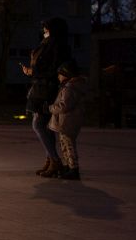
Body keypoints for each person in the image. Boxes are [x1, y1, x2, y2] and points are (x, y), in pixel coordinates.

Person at [20, 17, 71, 177]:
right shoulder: (47, 44)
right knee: (43, 124)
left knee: (39, 123)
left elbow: (53, 68)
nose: (44, 30)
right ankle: (50, 159)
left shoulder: (57, 46)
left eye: (46, 28)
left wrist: (33, 71)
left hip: (47, 88)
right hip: (40, 86)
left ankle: (55, 160)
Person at [48, 60, 87, 180]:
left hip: (68, 121)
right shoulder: (71, 86)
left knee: (68, 145)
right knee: (64, 144)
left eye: (60, 74)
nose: (58, 77)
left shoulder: (70, 88)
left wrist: (50, 108)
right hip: (68, 121)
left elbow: (64, 105)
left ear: (66, 74)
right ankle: (68, 166)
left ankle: (73, 169)